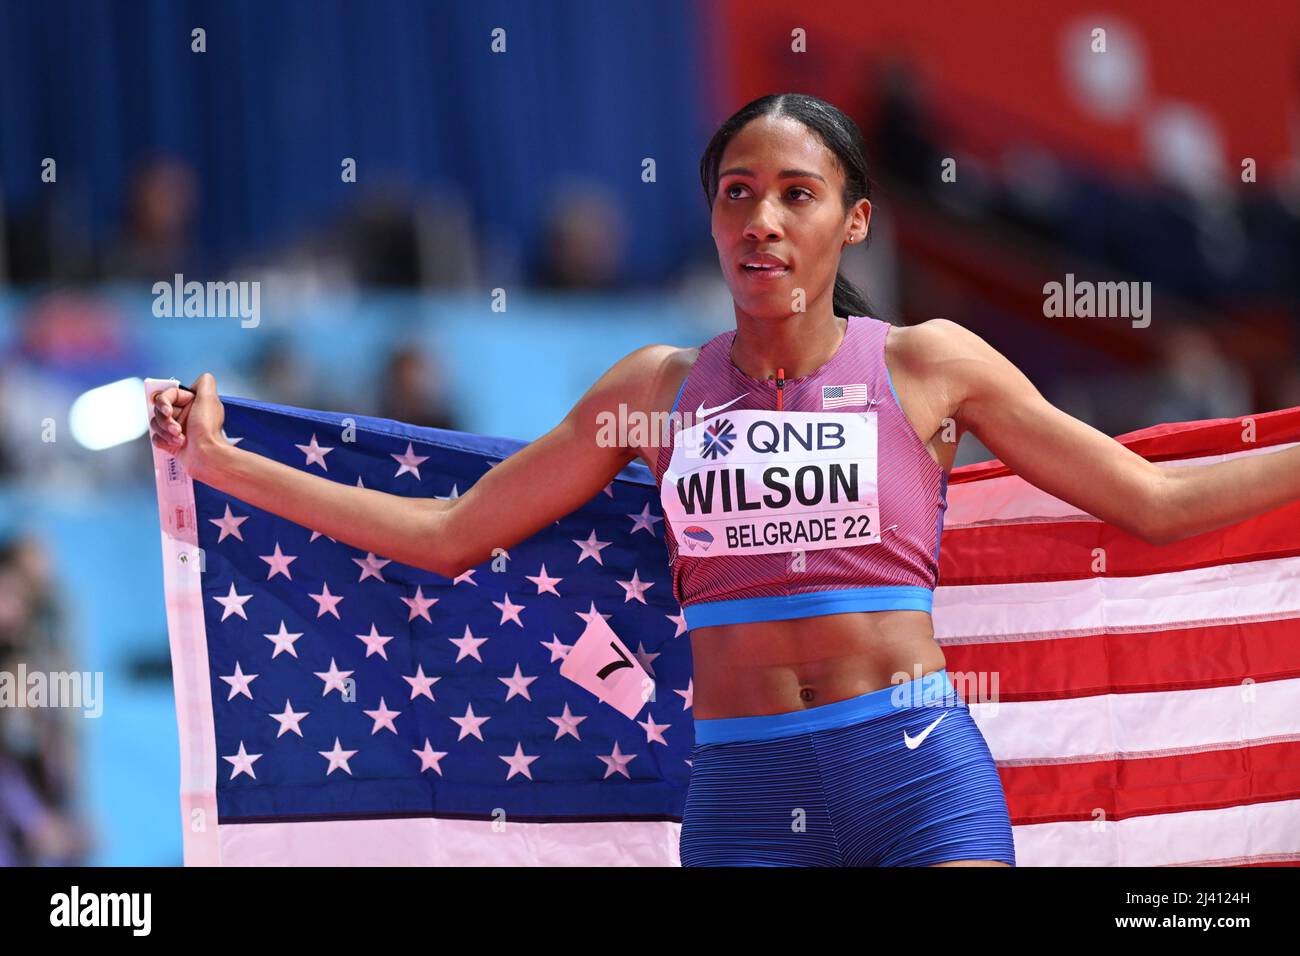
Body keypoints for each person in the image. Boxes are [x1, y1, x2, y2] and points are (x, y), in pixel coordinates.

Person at [149, 93, 1300, 867]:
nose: (763, 219)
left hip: (918, 781)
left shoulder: (929, 363)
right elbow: (448, 532)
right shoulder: (654, 388)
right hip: (746, 799)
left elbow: (1152, 503)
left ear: (854, 219)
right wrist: (225, 462)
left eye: (797, 193)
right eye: (737, 193)